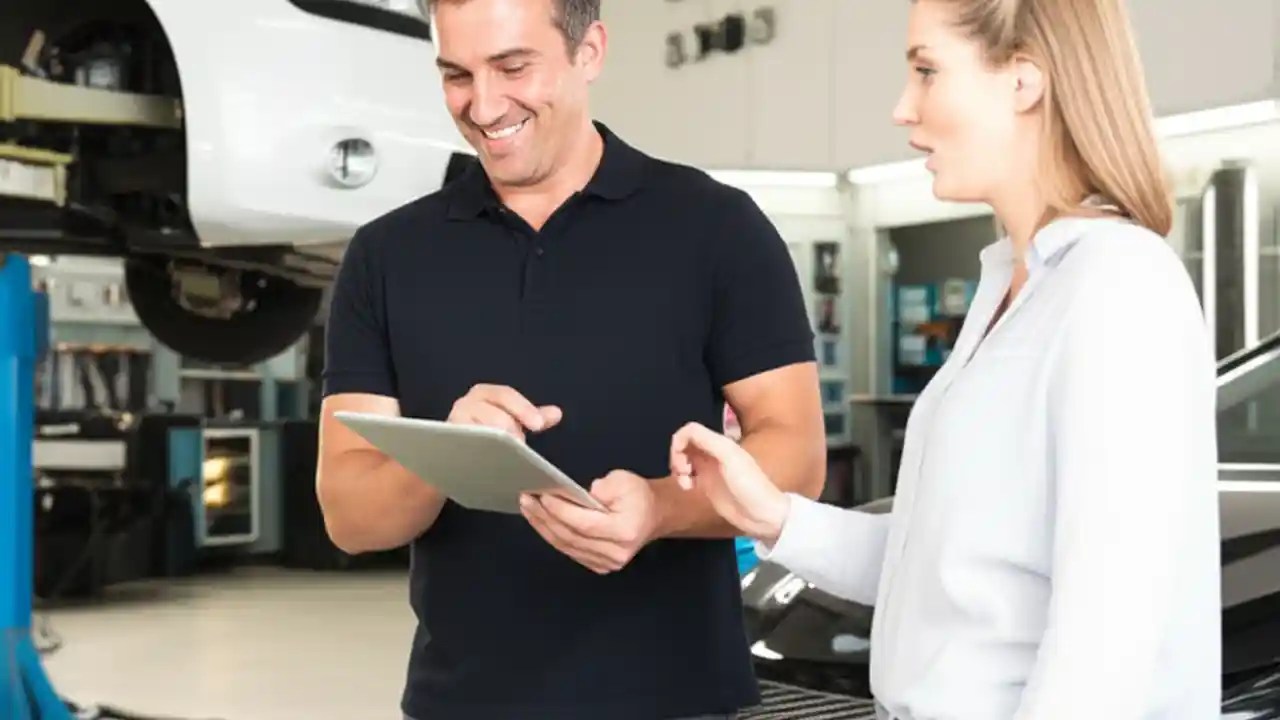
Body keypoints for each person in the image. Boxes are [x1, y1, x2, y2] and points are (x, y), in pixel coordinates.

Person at [670, 0, 1221, 719]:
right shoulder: (1013, 287)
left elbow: (1104, 645)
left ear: (1024, 79)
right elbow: (946, 566)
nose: (904, 108)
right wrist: (771, 515)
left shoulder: (1118, 286)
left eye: (927, 71)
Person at [314, 0, 827, 718]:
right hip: (462, 703)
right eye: (456, 73)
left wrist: (659, 508)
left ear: (590, 51)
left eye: (513, 67)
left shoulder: (715, 228)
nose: (483, 105)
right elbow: (350, 515)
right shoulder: (385, 257)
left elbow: (796, 457)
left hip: (676, 698)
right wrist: (448, 455)